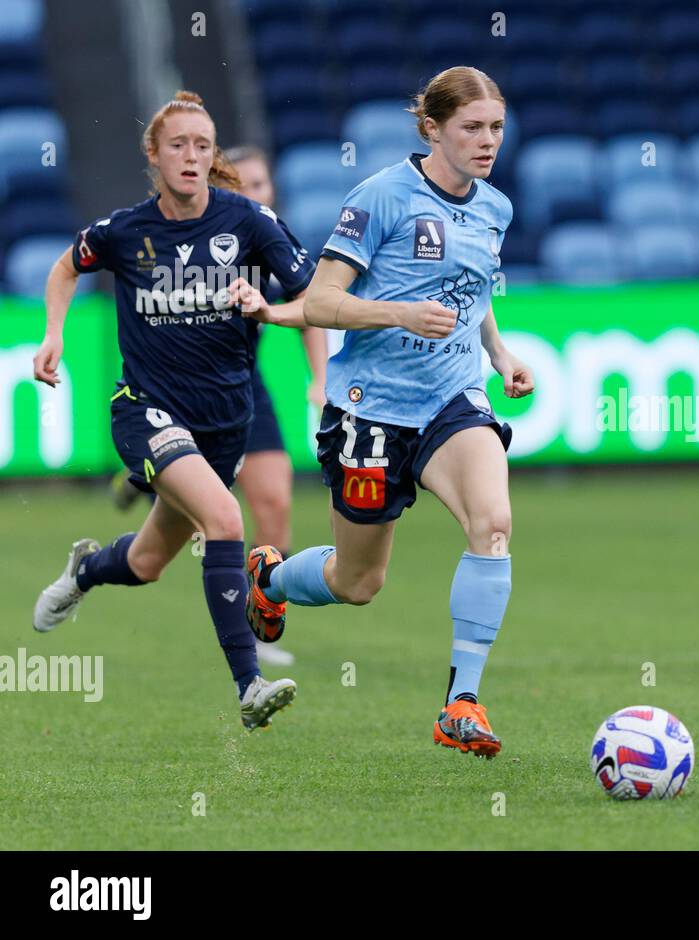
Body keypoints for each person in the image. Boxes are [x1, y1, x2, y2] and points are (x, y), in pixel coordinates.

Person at [242, 67, 532, 758]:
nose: (487, 141)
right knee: (358, 581)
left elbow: (474, 292)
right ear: (432, 128)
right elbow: (317, 302)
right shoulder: (381, 197)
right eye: (471, 128)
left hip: (452, 399)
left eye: (495, 127)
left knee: (492, 524)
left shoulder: (495, 208)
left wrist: (498, 354)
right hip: (370, 412)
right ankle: (271, 578)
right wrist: (400, 312)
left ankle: (461, 702)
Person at [30, 91, 315, 729]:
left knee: (148, 562)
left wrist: (271, 312)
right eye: (178, 145)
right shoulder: (125, 231)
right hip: (148, 410)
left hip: (224, 421)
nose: (191, 155)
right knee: (225, 517)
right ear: (154, 156)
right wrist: (54, 334)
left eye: (203, 145)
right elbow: (64, 267)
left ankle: (86, 569)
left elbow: (313, 300)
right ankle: (249, 685)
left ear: (213, 157)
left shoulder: (250, 223)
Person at [108, 146, 328, 668]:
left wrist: (320, 380)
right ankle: (145, 479)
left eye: (261, 184)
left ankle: (258, 615)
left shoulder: (265, 236)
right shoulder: (189, 234)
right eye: (243, 184)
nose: (254, 194)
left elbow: (312, 308)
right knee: (203, 515)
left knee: (273, 504)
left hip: (244, 389)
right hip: (173, 394)